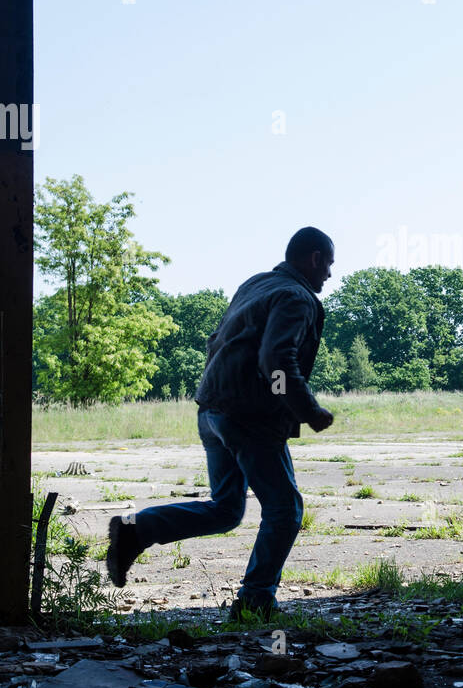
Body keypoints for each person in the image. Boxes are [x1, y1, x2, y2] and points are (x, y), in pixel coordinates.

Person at [106, 227, 336, 620]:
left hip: (212, 411)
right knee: (285, 509)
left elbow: (219, 341)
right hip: (249, 416)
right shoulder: (296, 297)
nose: (329, 275)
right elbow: (275, 362)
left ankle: (136, 528)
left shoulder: (257, 284)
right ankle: (255, 600)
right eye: (328, 264)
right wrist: (307, 409)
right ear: (314, 258)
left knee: (227, 510)